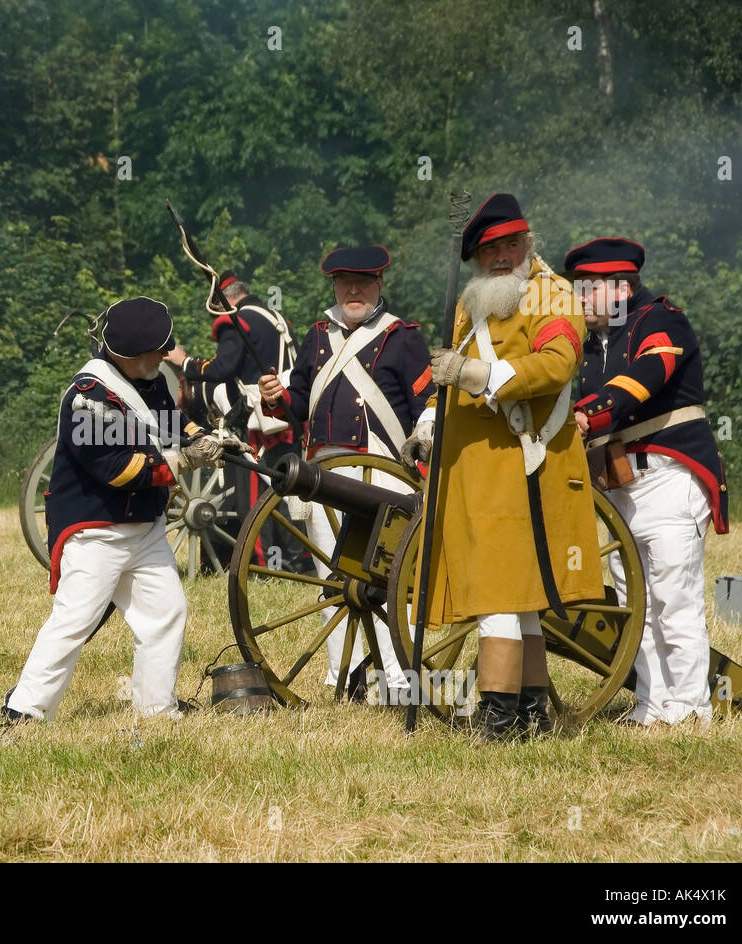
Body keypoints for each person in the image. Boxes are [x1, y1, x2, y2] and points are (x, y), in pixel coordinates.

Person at [401, 194, 605, 739]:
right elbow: (448, 371)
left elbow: (557, 365)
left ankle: (497, 718)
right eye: (489, 248)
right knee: (522, 599)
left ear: (528, 242)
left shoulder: (553, 295)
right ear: (475, 256)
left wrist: (479, 376)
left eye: (510, 244)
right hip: (473, 467)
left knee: (497, 593)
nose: (500, 256)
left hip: (523, 463)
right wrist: (427, 421)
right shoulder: (473, 302)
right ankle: (532, 713)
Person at [2, 297, 245, 723]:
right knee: (74, 622)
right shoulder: (88, 398)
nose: (165, 355)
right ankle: (24, 710)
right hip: (97, 529)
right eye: (157, 350)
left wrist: (215, 440)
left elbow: (171, 423)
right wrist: (189, 460)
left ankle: (155, 707)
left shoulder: (148, 381)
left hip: (144, 527)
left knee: (166, 613)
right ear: (128, 354)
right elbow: (121, 470)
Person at [259, 245, 433, 698]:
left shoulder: (403, 337)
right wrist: (277, 397)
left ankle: (397, 680)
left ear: (379, 285)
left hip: (384, 472)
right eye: (344, 282)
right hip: (325, 471)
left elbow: (426, 406)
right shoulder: (319, 336)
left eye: (363, 282)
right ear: (335, 286)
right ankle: (345, 676)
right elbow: (299, 405)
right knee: (334, 583)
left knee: (390, 581)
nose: (353, 290)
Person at [568, 237, 728, 726]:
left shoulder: (660, 319)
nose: (578, 301)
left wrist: (587, 416)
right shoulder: (594, 344)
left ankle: (690, 709)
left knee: (672, 598)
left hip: (668, 477)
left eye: (587, 291)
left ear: (618, 287)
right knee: (636, 604)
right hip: (621, 485)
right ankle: (651, 706)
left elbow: (645, 376)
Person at [165, 271, 298, 567]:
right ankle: (294, 559)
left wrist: (184, 362)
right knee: (284, 487)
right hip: (285, 413)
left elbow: (222, 367)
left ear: (224, 301)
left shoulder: (237, 320)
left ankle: (261, 564)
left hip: (255, 420)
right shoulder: (275, 318)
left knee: (252, 496)